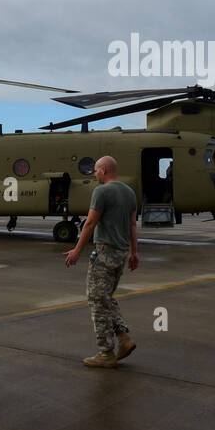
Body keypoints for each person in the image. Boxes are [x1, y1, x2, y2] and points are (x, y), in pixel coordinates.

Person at [64, 156, 140, 367]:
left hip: (105, 252)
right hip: (122, 253)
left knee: (96, 300)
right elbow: (133, 225)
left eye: (96, 170)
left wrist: (77, 250)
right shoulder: (130, 192)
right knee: (105, 296)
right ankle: (123, 338)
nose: (94, 174)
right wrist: (134, 252)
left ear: (105, 170)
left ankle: (105, 353)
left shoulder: (101, 192)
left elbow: (89, 223)